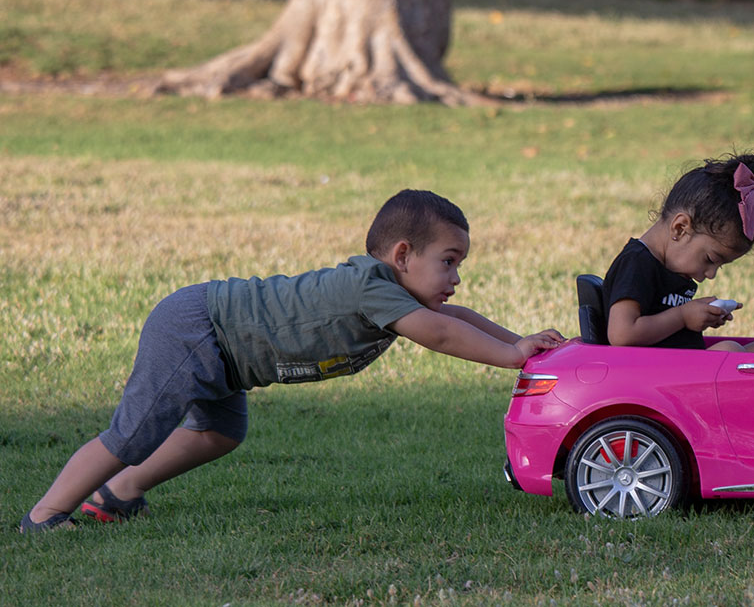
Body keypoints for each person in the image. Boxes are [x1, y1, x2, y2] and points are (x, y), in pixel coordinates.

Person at [20, 189, 564, 533]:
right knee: (135, 432)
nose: (456, 277)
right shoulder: (372, 287)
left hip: (228, 354)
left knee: (219, 433)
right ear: (403, 255)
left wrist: (521, 344)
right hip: (198, 329)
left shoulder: (395, 293)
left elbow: (456, 316)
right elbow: (442, 334)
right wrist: (509, 356)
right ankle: (44, 516)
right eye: (448, 261)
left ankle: (118, 493)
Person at [602, 152, 754, 353]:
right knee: (730, 350)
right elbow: (622, 334)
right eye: (710, 259)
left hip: (687, 365)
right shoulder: (636, 263)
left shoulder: (673, 266)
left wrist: (699, 315)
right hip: (653, 370)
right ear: (680, 228)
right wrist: (682, 316)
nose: (711, 274)